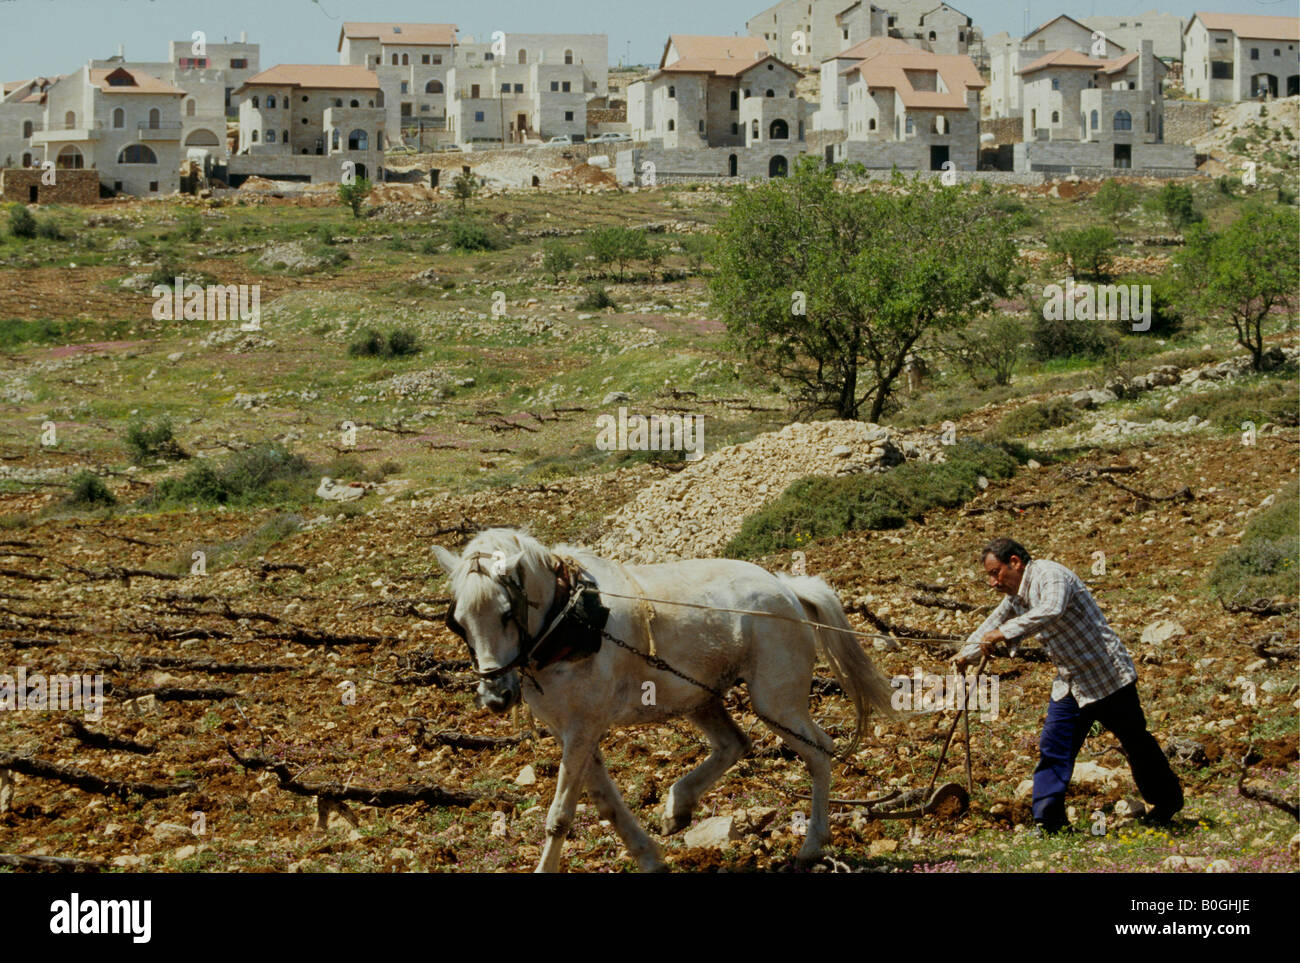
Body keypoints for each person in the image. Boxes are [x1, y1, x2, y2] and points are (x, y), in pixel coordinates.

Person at [954, 537, 1183, 834]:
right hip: (1071, 681)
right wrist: (965, 654)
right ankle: (1049, 822)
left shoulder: (1051, 575)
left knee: (1136, 743)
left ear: (1014, 562)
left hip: (1107, 677)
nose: (992, 582)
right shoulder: (1016, 596)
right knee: (1054, 746)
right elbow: (992, 623)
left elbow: (1051, 610)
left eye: (995, 572)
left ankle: (1166, 803)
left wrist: (1002, 633)